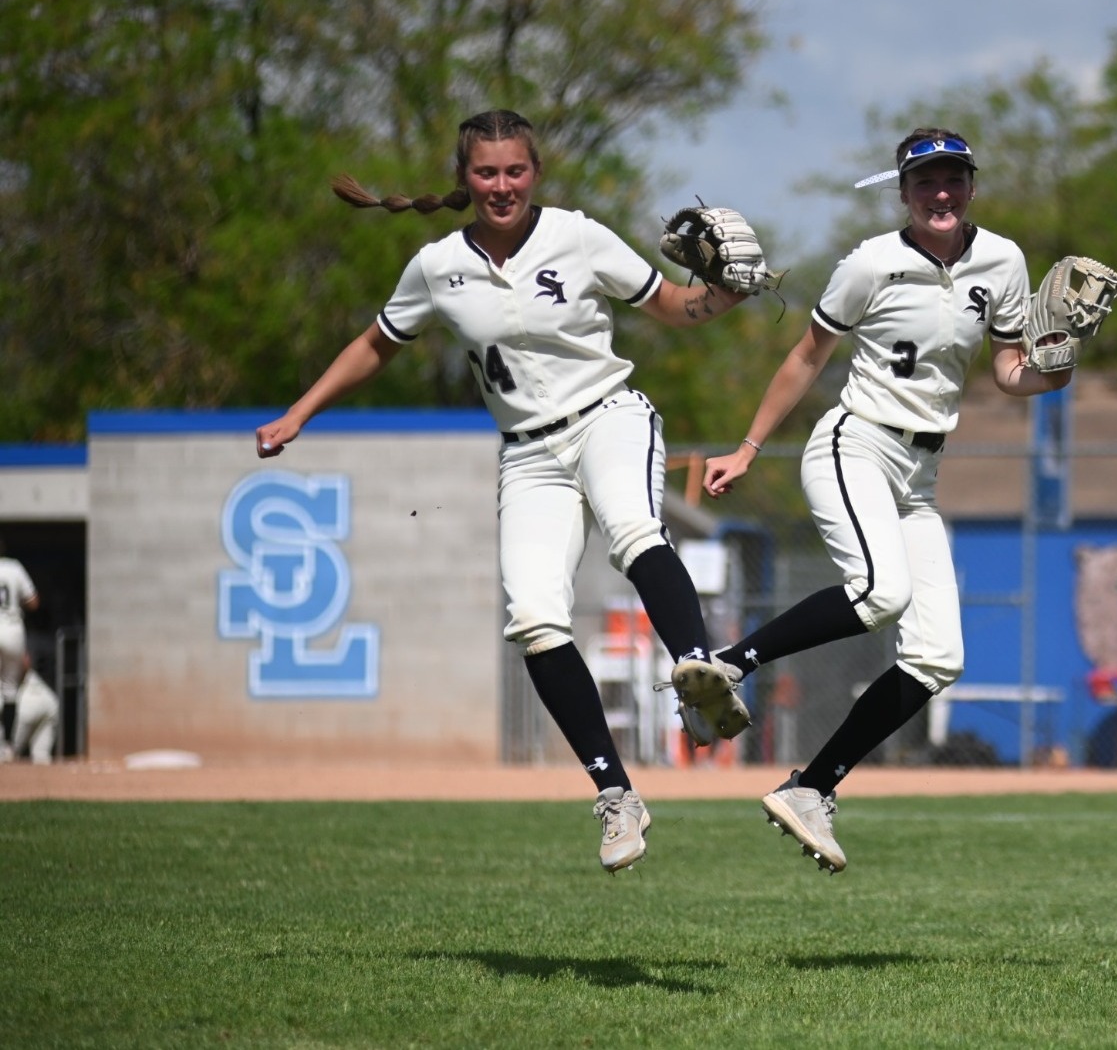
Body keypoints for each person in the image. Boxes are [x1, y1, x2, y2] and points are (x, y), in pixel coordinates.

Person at [254, 110, 762, 871]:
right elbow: (375, 344)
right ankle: (616, 796)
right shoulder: (436, 266)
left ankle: (700, 668)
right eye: (486, 172)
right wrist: (299, 412)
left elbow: (670, 305)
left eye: (514, 170)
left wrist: (725, 292)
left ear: (536, 173)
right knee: (533, 616)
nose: (501, 185)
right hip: (528, 454)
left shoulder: (580, 235)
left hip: (607, 416)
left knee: (631, 527)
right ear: (464, 178)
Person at [700, 128, 1073, 872]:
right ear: (903, 191)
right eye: (926, 181)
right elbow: (808, 354)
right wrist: (747, 445)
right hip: (856, 442)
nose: (942, 192)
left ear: (972, 185)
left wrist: (1055, 371)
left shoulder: (1003, 262)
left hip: (921, 474)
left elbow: (1007, 370)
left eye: (954, 178)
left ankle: (813, 787)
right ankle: (732, 661)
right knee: (879, 591)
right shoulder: (870, 262)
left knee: (938, 656)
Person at [0, 537, 53, 764]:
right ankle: (7, 748)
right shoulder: (14, 566)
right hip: (12, 629)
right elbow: (33, 602)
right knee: (9, 690)